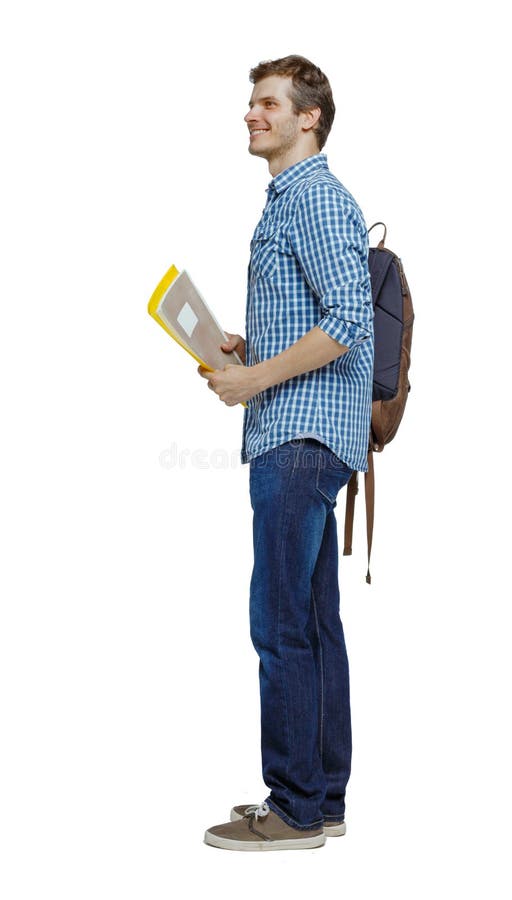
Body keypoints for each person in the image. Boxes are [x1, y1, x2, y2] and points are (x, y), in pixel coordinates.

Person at [199, 55, 374, 851]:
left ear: (309, 117)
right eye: (251, 102)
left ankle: (294, 808)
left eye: (267, 103)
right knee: (311, 622)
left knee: (279, 625)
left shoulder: (315, 199)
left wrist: (255, 379)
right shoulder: (291, 202)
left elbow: (349, 323)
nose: (251, 113)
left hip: (297, 439)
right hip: (303, 433)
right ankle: (322, 799)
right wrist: (246, 346)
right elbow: (323, 311)